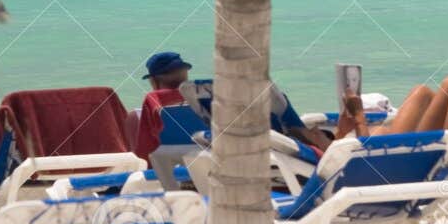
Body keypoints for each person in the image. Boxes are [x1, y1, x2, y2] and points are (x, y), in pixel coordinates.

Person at [141, 50, 331, 150]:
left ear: (154, 80)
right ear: (185, 72)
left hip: (185, 163)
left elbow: (144, 148)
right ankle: (316, 142)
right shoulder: (211, 99)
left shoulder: (154, 102)